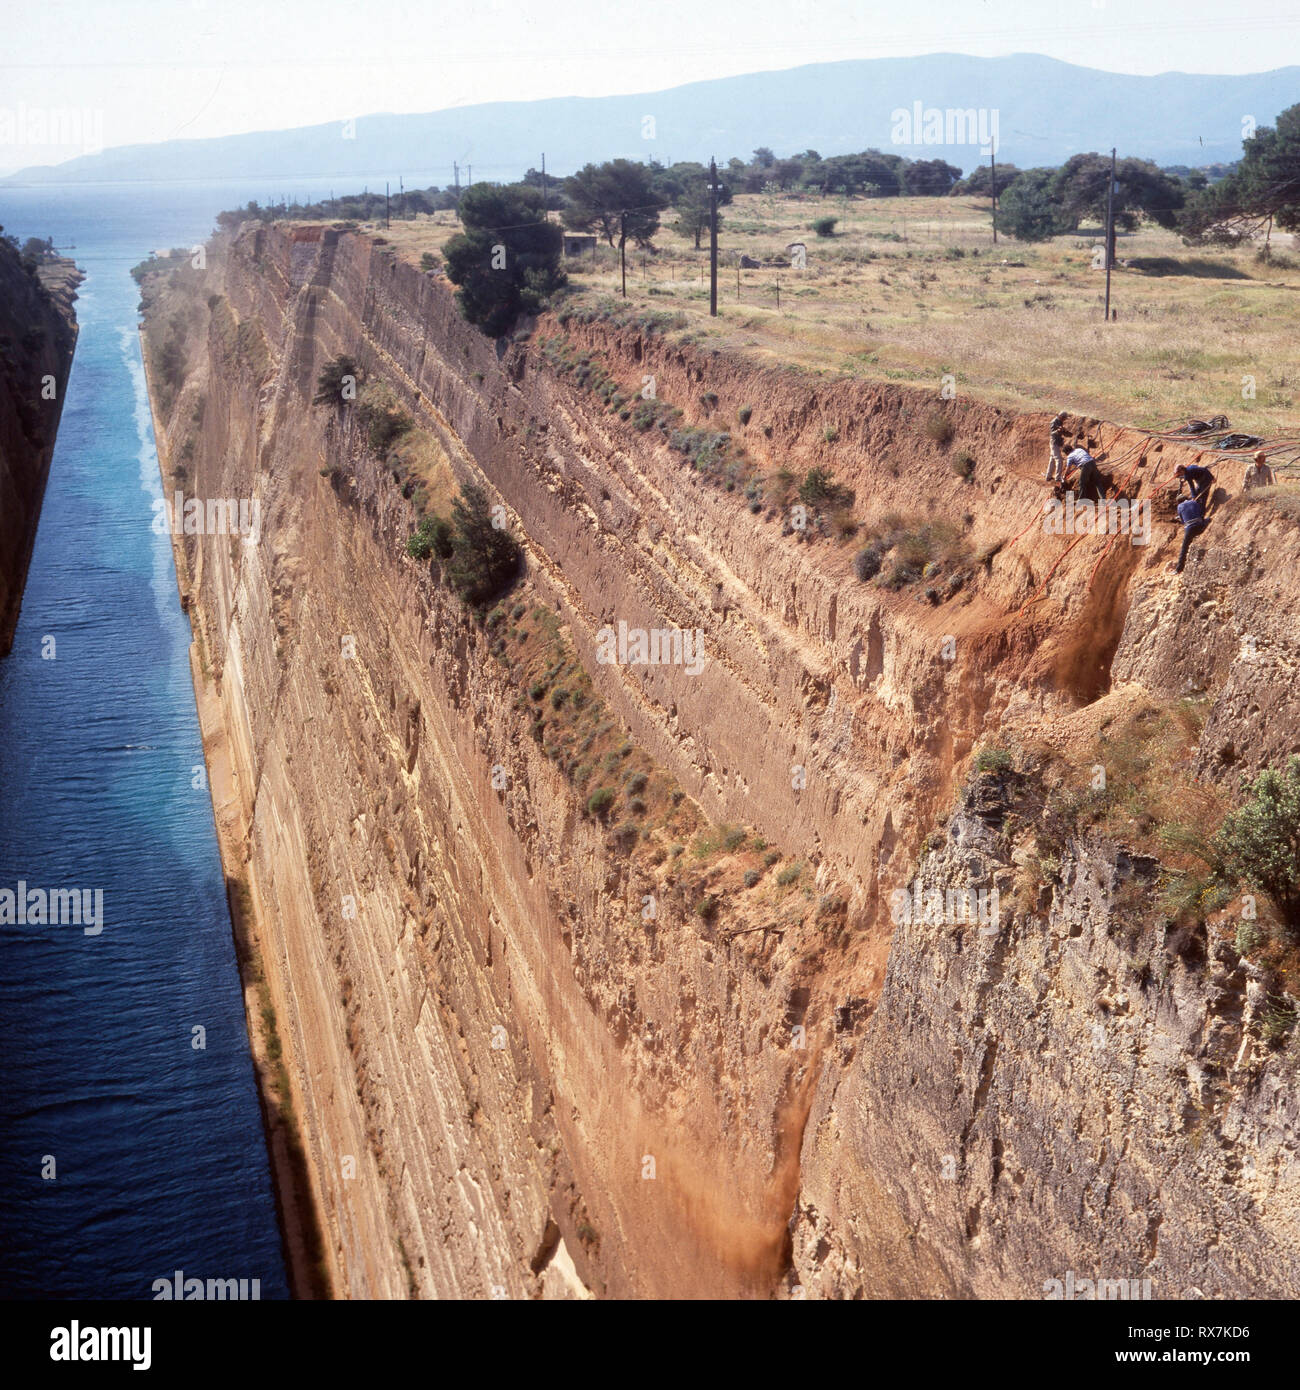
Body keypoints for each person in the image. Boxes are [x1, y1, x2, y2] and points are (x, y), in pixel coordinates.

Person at [1171, 494, 1207, 574]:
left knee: (1184, 547)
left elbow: (1183, 521)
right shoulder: (1193, 502)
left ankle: (1178, 569)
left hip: (1190, 528)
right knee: (1208, 519)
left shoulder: (1179, 506)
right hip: (1200, 525)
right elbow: (1201, 513)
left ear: (1179, 502)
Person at [1045, 412, 1067, 482]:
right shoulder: (1054, 422)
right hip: (1054, 442)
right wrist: (1058, 431)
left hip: (1056, 442)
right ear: (1061, 416)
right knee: (1059, 460)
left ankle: (1048, 476)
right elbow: (1051, 433)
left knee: (1052, 459)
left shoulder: (1060, 421)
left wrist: (1063, 430)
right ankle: (1058, 477)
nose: (1065, 419)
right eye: (1064, 418)